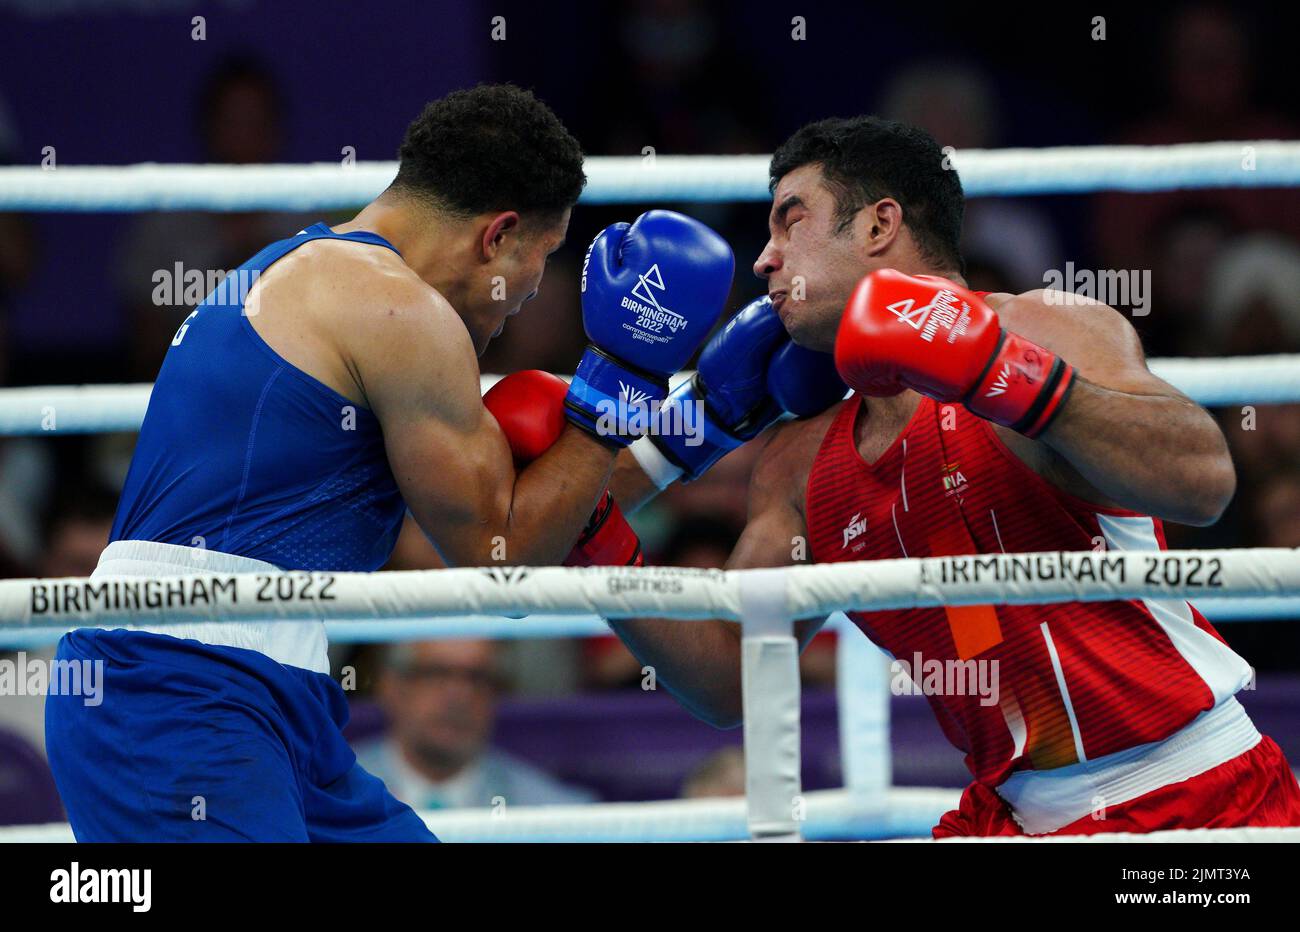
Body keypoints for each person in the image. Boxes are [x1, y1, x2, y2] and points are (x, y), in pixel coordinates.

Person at [45, 83, 735, 842]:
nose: (517, 312)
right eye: (531, 274)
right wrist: (623, 382)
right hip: (177, 689)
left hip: (264, 693)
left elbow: (539, 519)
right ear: (496, 235)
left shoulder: (313, 276)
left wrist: (703, 420)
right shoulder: (395, 310)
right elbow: (501, 562)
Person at [603, 115, 1300, 837]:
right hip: (1011, 815)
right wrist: (597, 535)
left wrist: (1008, 377)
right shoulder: (798, 462)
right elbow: (726, 674)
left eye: (791, 223)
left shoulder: (1043, 329)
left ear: (879, 226)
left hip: (1195, 799)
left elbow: (1204, 481)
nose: (765, 260)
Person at [353, 640, 595, 810]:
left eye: (477, 678)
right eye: (437, 673)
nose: (458, 696)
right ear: (391, 686)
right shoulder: (323, 797)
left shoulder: (556, 814)